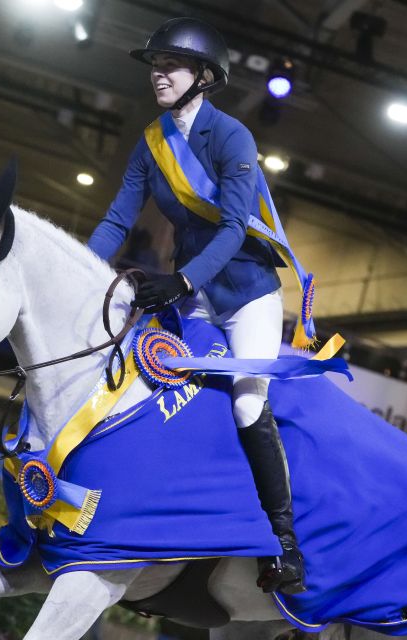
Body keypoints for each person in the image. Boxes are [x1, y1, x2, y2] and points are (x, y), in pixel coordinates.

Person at [87, 17, 312, 594]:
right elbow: (118, 219)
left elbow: (235, 226)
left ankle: (284, 546)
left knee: (244, 405)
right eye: (155, 65)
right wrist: (82, 272)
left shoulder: (232, 136)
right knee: (149, 386)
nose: (158, 74)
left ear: (204, 78)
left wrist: (183, 283)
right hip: (193, 290)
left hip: (245, 296)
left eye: (171, 65)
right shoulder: (151, 141)